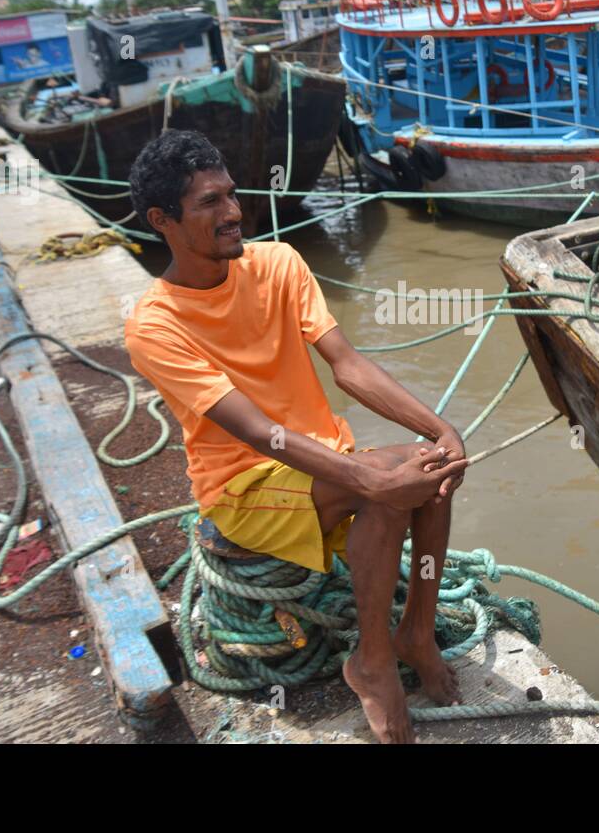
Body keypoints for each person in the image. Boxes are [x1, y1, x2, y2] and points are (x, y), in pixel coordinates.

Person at [124, 130, 467, 743]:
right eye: (209, 203)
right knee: (382, 491)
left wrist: (438, 428)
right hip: (243, 488)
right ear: (162, 220)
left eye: (231, 195)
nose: (233, 213)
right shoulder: (154, 324)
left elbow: (348, 364)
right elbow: (257, 433)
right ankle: (374, 662)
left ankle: (415, 629)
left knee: (431, 468)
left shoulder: (279, 263)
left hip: (318, 462)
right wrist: (371, 476)